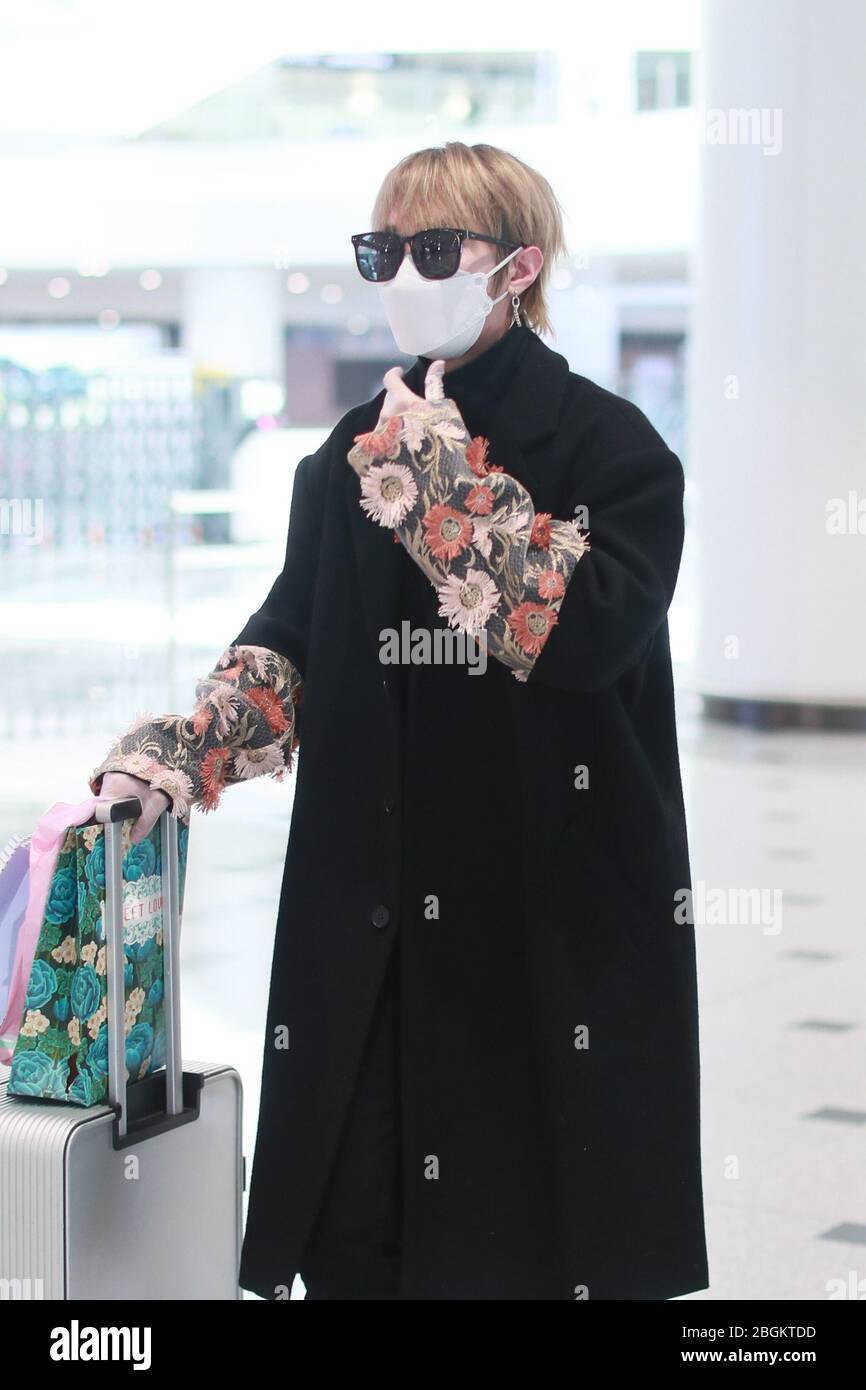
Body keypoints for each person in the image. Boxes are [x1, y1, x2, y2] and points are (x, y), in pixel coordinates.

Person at [91, 141, 709, 1301]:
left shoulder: (610, 448)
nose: (401, 278)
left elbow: (580, 634)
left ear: (516, 267)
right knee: (365, 1217)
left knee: (531, 1230)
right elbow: (294, 643)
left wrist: (436, 483)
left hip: (543, 903)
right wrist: (184, 753)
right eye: (382, 252)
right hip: (372, 902)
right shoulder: (345, 459)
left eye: (434, 251)